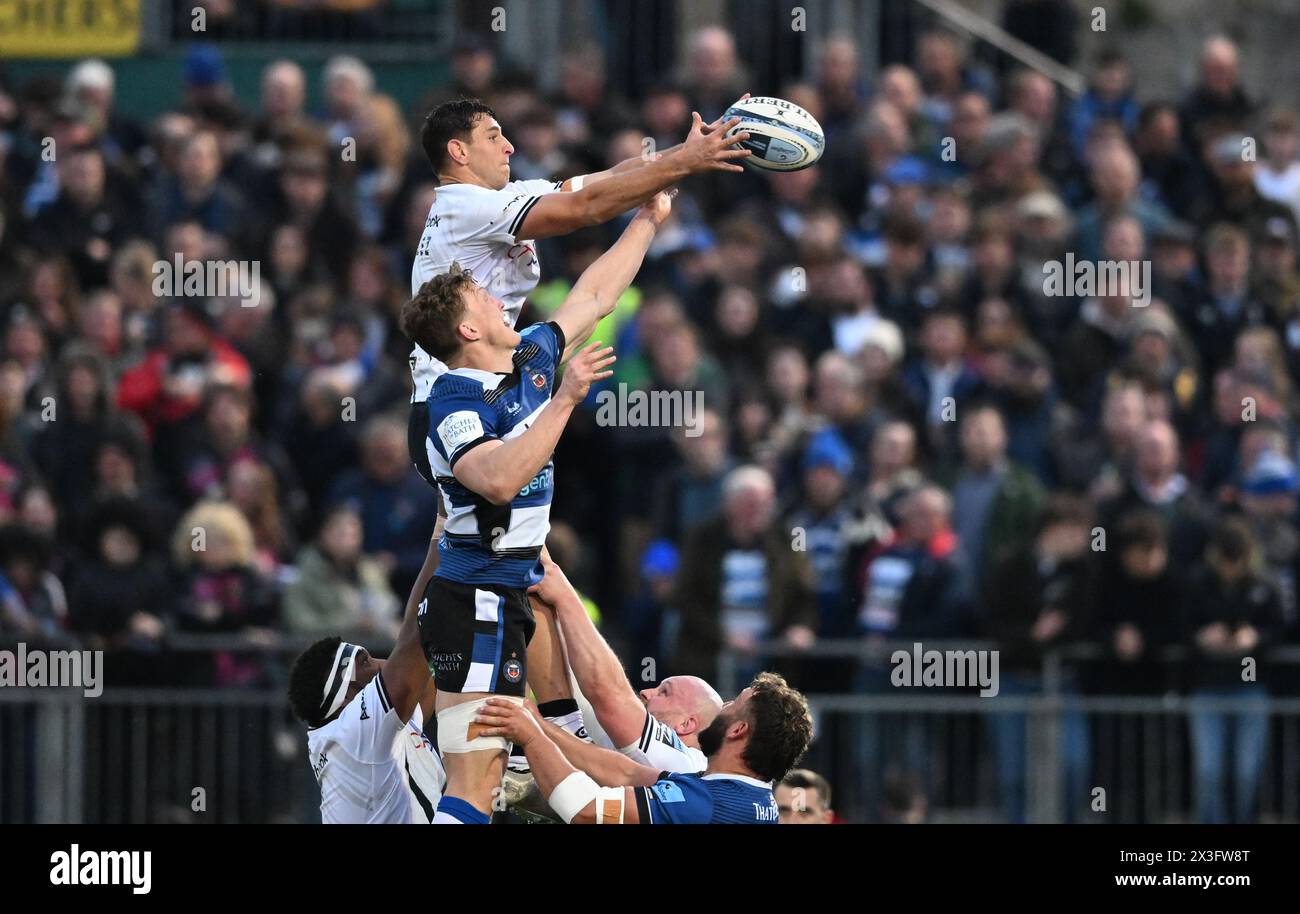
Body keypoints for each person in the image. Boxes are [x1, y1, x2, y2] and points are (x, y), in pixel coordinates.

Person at [397, 190, 674, 823]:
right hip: (473, 599)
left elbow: (595, 296)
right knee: (474, 776)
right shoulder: (454, 400)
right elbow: (494, 479)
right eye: (484, 299)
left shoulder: (528, 359)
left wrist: (647, 219)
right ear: (469, 330)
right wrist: (565, 402)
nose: (501, 300)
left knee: (512, 767)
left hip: (512, 589)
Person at [472, 671, 812, 824]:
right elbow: (626, 772)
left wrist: (531, 737)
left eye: (731, 704)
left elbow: (587, 811)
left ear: (738, 730)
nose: (722, 706)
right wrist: (540, 727)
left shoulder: (706, 805)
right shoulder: (744, 794)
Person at [287, 594, 445, 823]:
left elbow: (424, 679)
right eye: (365, 663)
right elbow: (415, 634)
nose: (384, 664)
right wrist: (446, 563)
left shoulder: (359, 730)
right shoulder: (356, 729)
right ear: (345, 697)